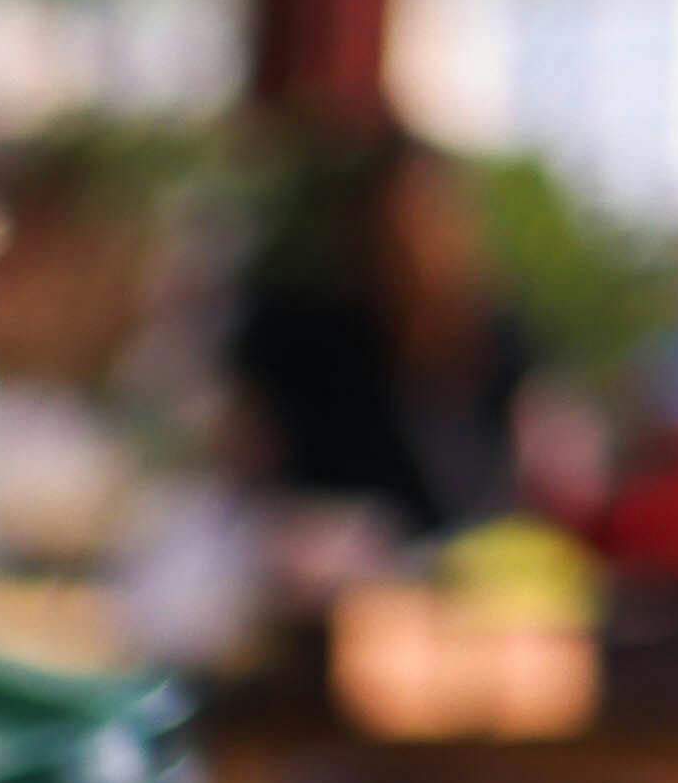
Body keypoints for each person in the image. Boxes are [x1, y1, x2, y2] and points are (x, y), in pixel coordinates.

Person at [217, 115, 543, 540]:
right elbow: (246, 476)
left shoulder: (500, 345)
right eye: (395, 226)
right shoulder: (305, 343)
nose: (412, 249)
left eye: (427, 223)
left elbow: (516, 484)